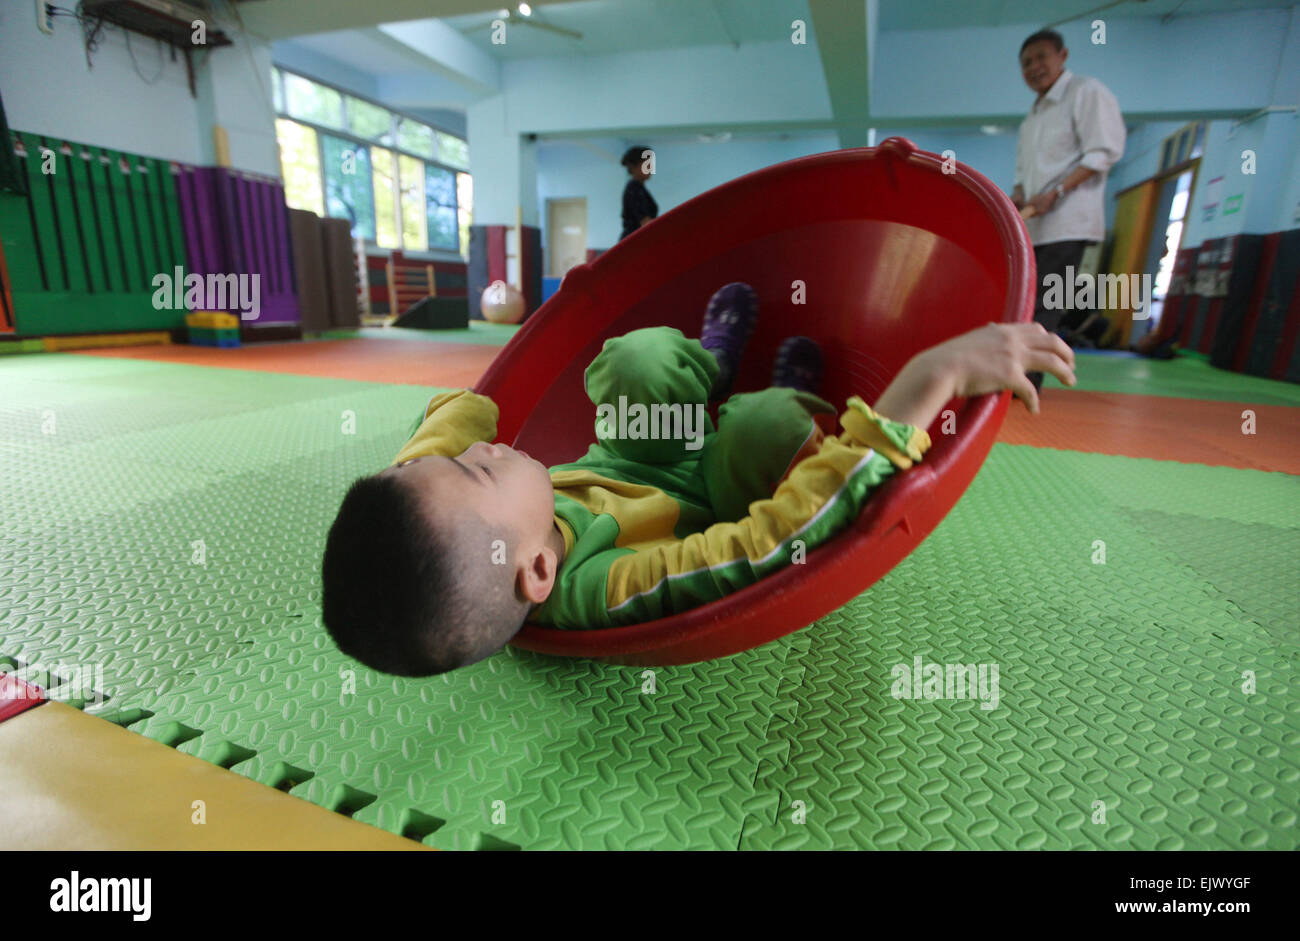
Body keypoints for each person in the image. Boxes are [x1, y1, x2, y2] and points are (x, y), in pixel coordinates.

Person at [321, 284, 1076, 677]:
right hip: (713, 493)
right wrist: (928, 375)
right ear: (540, 567)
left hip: (635, 457)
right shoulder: (603, 588)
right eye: (477, 471)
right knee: (769, 425)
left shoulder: (496, 545)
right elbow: (771, 540)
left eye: (448, 462)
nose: (484, 449)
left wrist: (415, 474)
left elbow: (456, 418)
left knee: (640, 361)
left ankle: (713, 361)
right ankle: (791, 389)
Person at [1012, 28, 1125, 387]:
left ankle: (1026, 382)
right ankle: (1014, 372)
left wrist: (1057, 191)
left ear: (1063, 56)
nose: (1034, 67)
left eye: (1042, 57)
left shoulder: (1086, 92)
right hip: (1034, 225)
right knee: (1025, 300)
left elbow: (1104, 151)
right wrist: (1017, 195)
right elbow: (1023, 173)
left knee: (1047, 302)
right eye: (1026, 63)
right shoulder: (1032, 117)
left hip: (1068, 222)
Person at [619, 145, 658, 240]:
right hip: (634, 241)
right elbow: (645, 222)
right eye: (647, 165)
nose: (650, 168)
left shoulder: (639, 188)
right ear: (634, 167)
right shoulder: (634, 189)